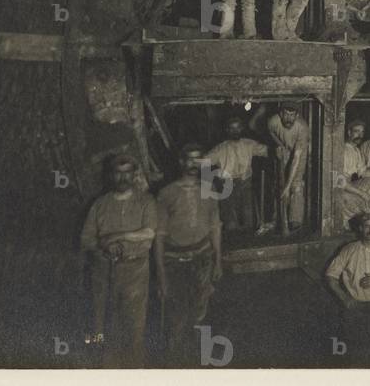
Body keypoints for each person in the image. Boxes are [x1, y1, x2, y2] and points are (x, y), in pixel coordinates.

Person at [80, 154, 157, 367]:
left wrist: (115, 237)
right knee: (101, 323)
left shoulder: (146, 201)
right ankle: (104, 368)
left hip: (135, 271)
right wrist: (103, 247)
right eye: (118, 172)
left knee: (134, 325)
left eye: (127, 172)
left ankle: (134, 371)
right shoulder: (99, 204)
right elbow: (86, 239)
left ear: (134, 174)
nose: (123, 177)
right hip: (104, 272)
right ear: (111, 175)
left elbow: (148, 234)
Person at [154, 143, 223, 365]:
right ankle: (174, 362)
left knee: (200, 312)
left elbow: (215, 227)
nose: (193, 164)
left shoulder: (210, 190)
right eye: (188, 159)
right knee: (176, 314)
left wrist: (218, 261)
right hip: (175, 261)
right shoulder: (167, 193)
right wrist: (162, 275)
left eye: (198, 159)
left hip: (202, 259)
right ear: (181, 162)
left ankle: (197, 361)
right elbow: (159, 237)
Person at [205, 118, 269, 233]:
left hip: (245, 183)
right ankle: (233, 238)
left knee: (248, 217)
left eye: (237, 127)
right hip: (227, 185)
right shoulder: (221, 148)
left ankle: (248, 238)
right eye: (232, 128)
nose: (235, 131)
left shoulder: (249, 144)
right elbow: (204, 161)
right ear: (227, 130)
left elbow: (266, 150)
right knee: (230, 222)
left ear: (241, 129)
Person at [267, 102, 309, 231]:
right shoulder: (273, 121)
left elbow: (296, 158)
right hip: (284, 148)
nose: (288, 118)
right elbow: (271, 132)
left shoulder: (302, 128)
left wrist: (288, 186)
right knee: (279, 183)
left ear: (296, 116)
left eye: (292, 115)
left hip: (299, 153)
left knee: (295, 185)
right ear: (281, 114)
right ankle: (277, 219)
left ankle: (295, 222)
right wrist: (278, 144)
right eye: (286, 114)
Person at [340, 120, 370, 230]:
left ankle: (366, 210)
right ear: (349, 132)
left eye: (362, 132)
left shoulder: (356, 150)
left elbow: (364, 172)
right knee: (352, 198)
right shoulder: (344, 150)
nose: (360, 135)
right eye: (356, 131)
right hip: (342, 189)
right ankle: (347, 218)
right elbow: (341, 182)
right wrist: (363, 194)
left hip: (351, 186)